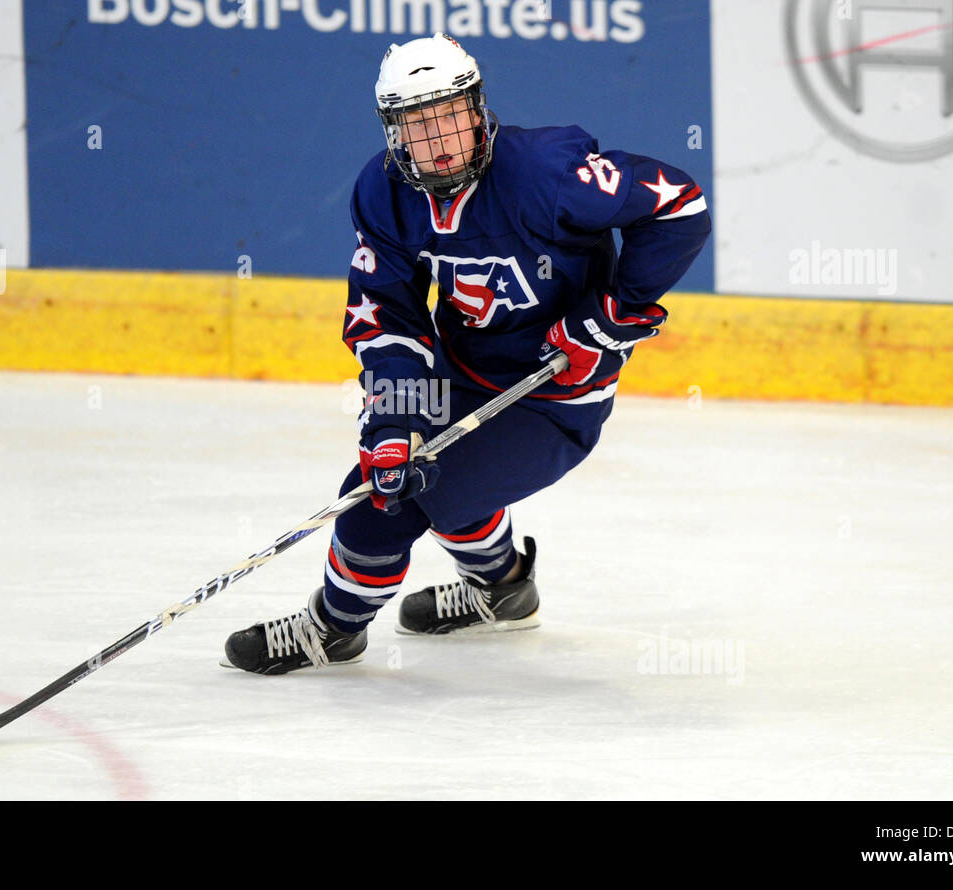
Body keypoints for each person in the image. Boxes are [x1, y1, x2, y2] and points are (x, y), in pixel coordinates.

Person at [222, 33, 710, 674]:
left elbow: (680, 204)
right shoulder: (384, 192)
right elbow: (388, 316)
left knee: (382, 509)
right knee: (416, 478)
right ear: (395, 134)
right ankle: (505, 591)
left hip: (556, 395)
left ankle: (334, 629)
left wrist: (608, 316)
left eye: (451, 116)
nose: (442, 140)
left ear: (478, 110)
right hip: (458, 372)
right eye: (420, 127)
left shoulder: (547, 175)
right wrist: (395, 420)